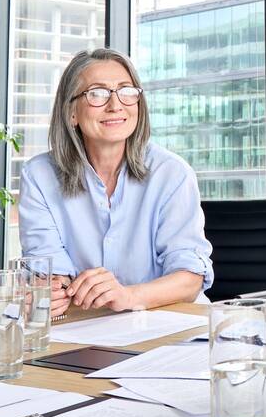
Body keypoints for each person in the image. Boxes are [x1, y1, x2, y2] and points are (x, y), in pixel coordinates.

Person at [17, 48, 213, 317]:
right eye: (97, 93)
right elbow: (49, 268)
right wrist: (52, 291)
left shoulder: (172, 173)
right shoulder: (39, 175)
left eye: (126, 91)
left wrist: (127, 295)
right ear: (71, 112)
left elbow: (190, 278)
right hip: (87, 326)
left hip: (171, 326)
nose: (115, 105)